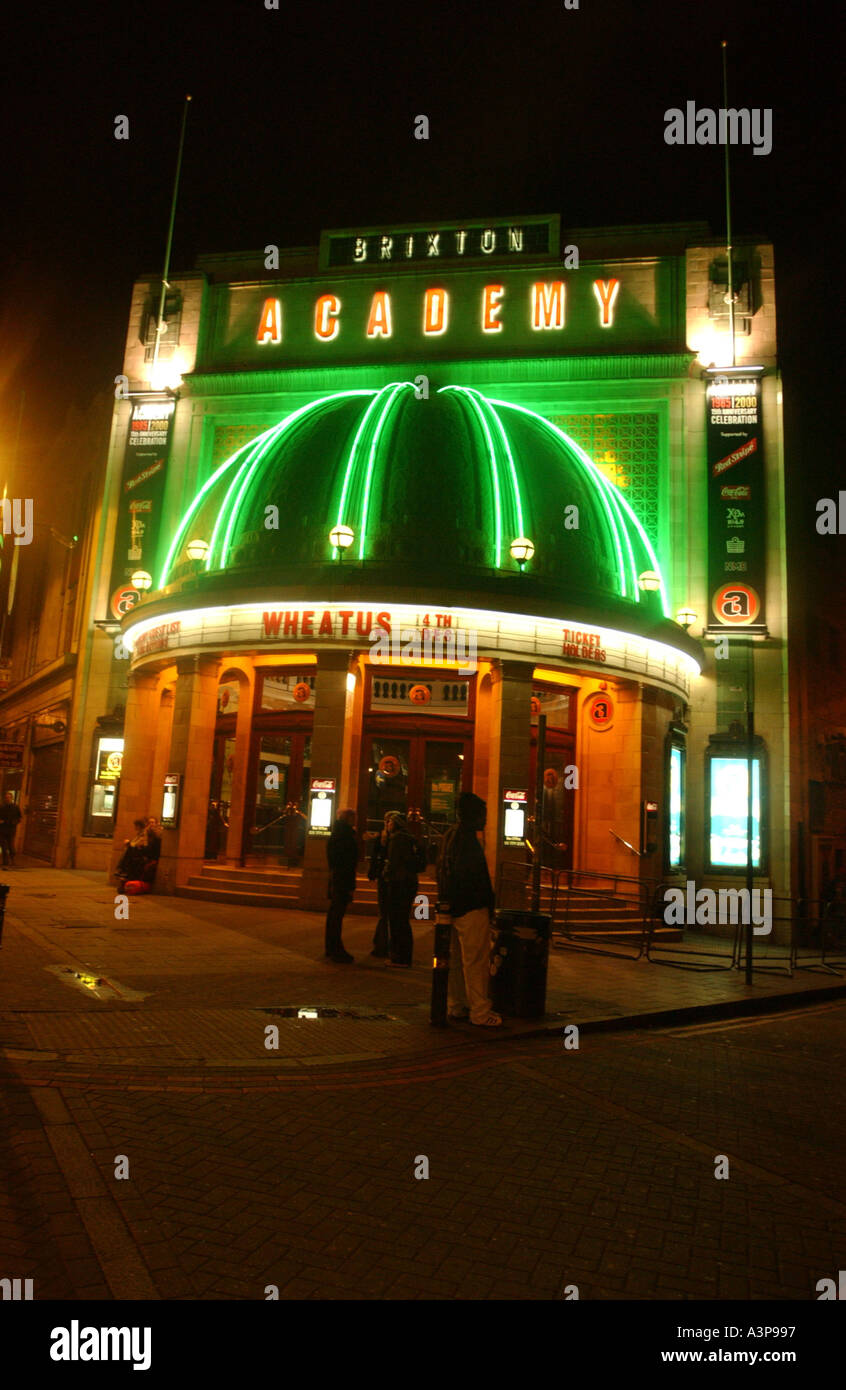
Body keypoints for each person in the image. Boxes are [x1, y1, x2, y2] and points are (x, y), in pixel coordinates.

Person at [437, 791, 502, 1027]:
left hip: (451, 907)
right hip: (471, 907)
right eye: (482, 815)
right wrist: (488, 902)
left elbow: (442, 869)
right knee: (475, 961)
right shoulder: (469, 841)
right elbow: (474, 877)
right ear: (473, 815)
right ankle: (480, 1011)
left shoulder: (450, 835)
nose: (485, 820)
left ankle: (456, 1005)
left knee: (454, 961)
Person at [383, 813, 425, 967]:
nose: (387, 825)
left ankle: (400, 957)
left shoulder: (397, 839)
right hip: (409, 882)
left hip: (399, 882)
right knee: (403, 920)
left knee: (397, 920)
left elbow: (394, 861)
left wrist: (386, 874)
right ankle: (404, 955)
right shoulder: (409, 837)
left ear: (396, 824)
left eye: (390, 822)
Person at [324, 808, 358, 963]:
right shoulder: (346, 836)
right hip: (342, 879)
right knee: (337, 914)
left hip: (337, 878)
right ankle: (336, 948)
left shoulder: (337, 834)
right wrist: (351, 885)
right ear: (349, 819)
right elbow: (349, 862)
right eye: (353, 818)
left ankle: (331, 947)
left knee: (334, 914)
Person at [368, 812, 396, 957]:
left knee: (384, 912)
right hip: (389, 878)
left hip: (387, 878)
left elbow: (375, 856)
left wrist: (373, 872)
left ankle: (382, 945)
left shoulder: (388, 838)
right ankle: (385, 944)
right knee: (388, 913)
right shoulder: (388, 837)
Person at [115, 819, 152, 890]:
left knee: (129, 853)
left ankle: (120, 869)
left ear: (139, 826)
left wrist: (130, 844)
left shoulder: (144, 833)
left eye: (136, 826)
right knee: (128, 852)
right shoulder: (140, 833)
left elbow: (141, 844)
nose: (135, 827)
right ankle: (121, 870)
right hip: (135, 854)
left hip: (141, 855)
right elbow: (134, 843)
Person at [0, 792, 22, 869]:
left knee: (11, 845)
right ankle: (5, 861)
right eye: (6, 797)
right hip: (2, 830)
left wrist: (12, 822)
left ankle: (12, 860)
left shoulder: (15, 807)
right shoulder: (2, 807)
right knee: (3, 845)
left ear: (11, 798)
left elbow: (19, 818)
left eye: (9, 797)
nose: (7, 799)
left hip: (11, 829)